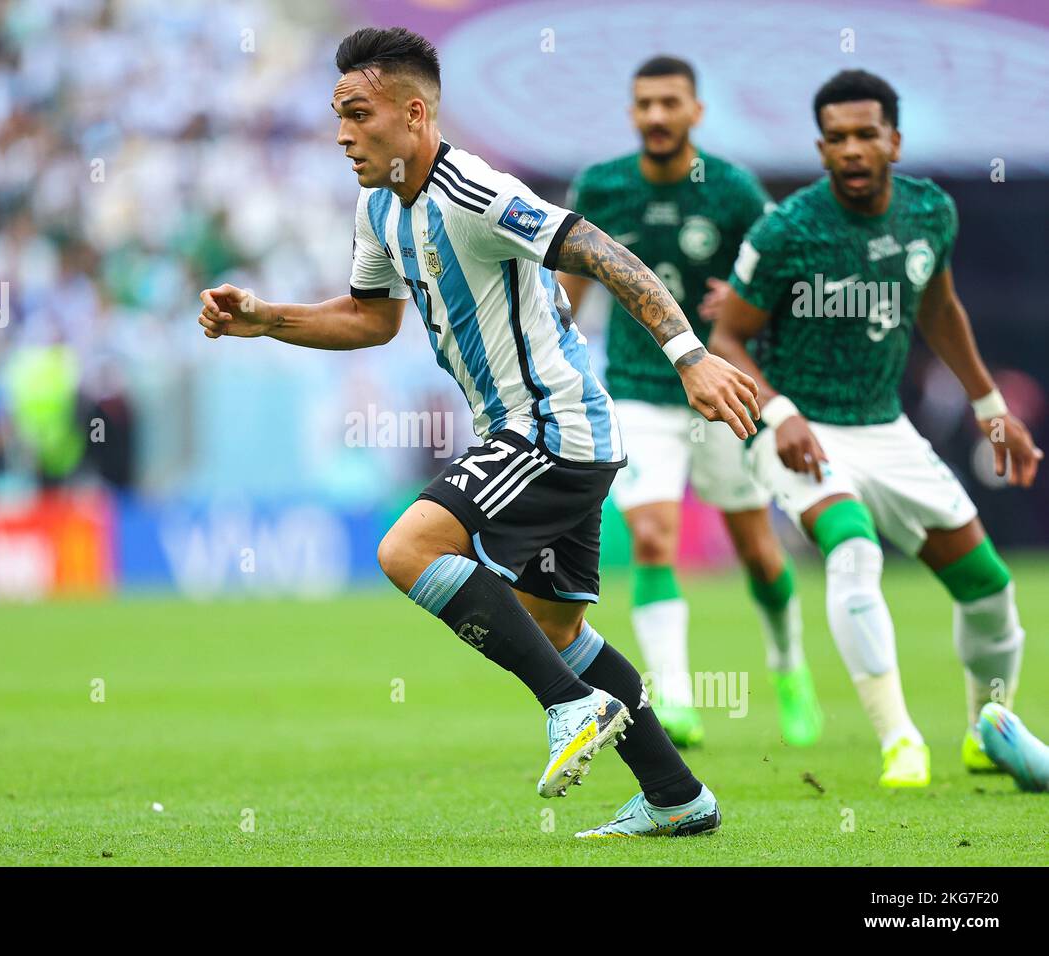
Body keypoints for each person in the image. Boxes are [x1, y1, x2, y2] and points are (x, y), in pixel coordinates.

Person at [199, 28, 763, 836]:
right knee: (556, 629)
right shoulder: (379, 207)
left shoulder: (477, 193)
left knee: (408, 550)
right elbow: (370, 319)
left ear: (415, 112)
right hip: (549, 432)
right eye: (337, 116)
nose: (341, 134)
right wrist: (268, 319)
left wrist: (689, 356)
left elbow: (598, 249)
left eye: (358, 114)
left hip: (548, 426)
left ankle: (570, 710)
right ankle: (678, 797)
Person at [712, 69, 1047, 789]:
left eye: (867, 135)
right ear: (821, 147)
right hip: (795, 427)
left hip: (885, 427)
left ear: (894, 139)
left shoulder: (930, 213)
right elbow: (727, 339)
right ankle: (900, 741)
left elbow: (940, 310)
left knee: (989, 590)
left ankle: (987, 732)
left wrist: (993, 411)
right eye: (838, 139)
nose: (854, 150)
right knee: (854, 550)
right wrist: (778, 414)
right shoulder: (785, 230)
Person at [560, 55, 819, 748]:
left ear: (695, 111)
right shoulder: (603, 187)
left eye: (670, 103)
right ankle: (671, 700)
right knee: (651, 538)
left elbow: (781, 282)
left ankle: (788, 664)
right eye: (644, 103)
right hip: (642, 391)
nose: (656, 116)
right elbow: (565, 300)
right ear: (631, 112)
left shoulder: (732, 191)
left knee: (759, 552)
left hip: (723, 390)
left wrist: (746, 307)